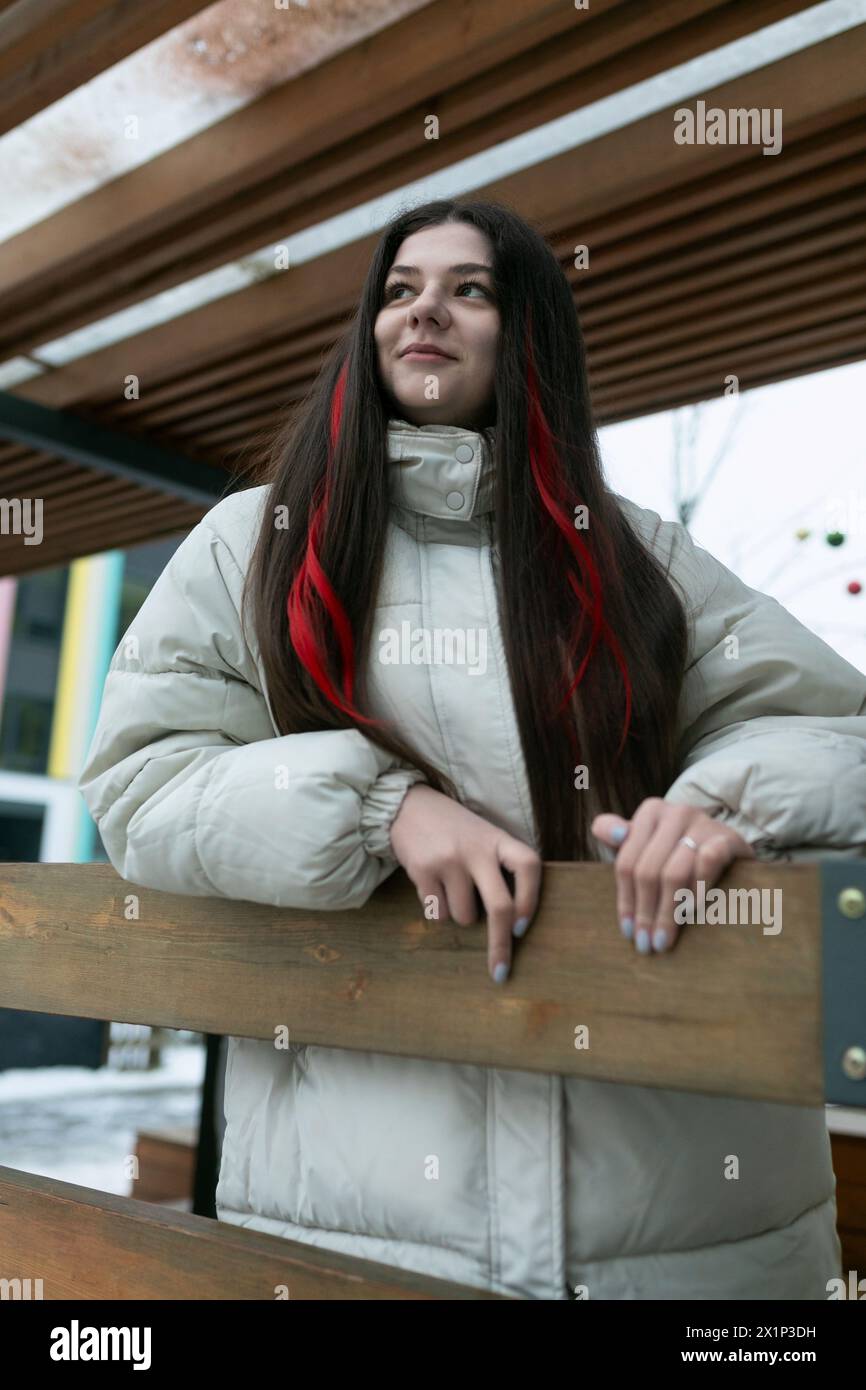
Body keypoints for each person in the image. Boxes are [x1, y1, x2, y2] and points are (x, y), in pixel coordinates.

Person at [78, 198, 866, 1300]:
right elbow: (143, 779)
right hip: (363, 1204)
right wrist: (375, 806)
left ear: (526, 329)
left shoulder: (640, 553)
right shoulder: (254, 542)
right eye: (398, 289)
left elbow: (835, 728)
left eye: (469, 288)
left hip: (685, 1209)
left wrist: (727, 801)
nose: (425, 312)